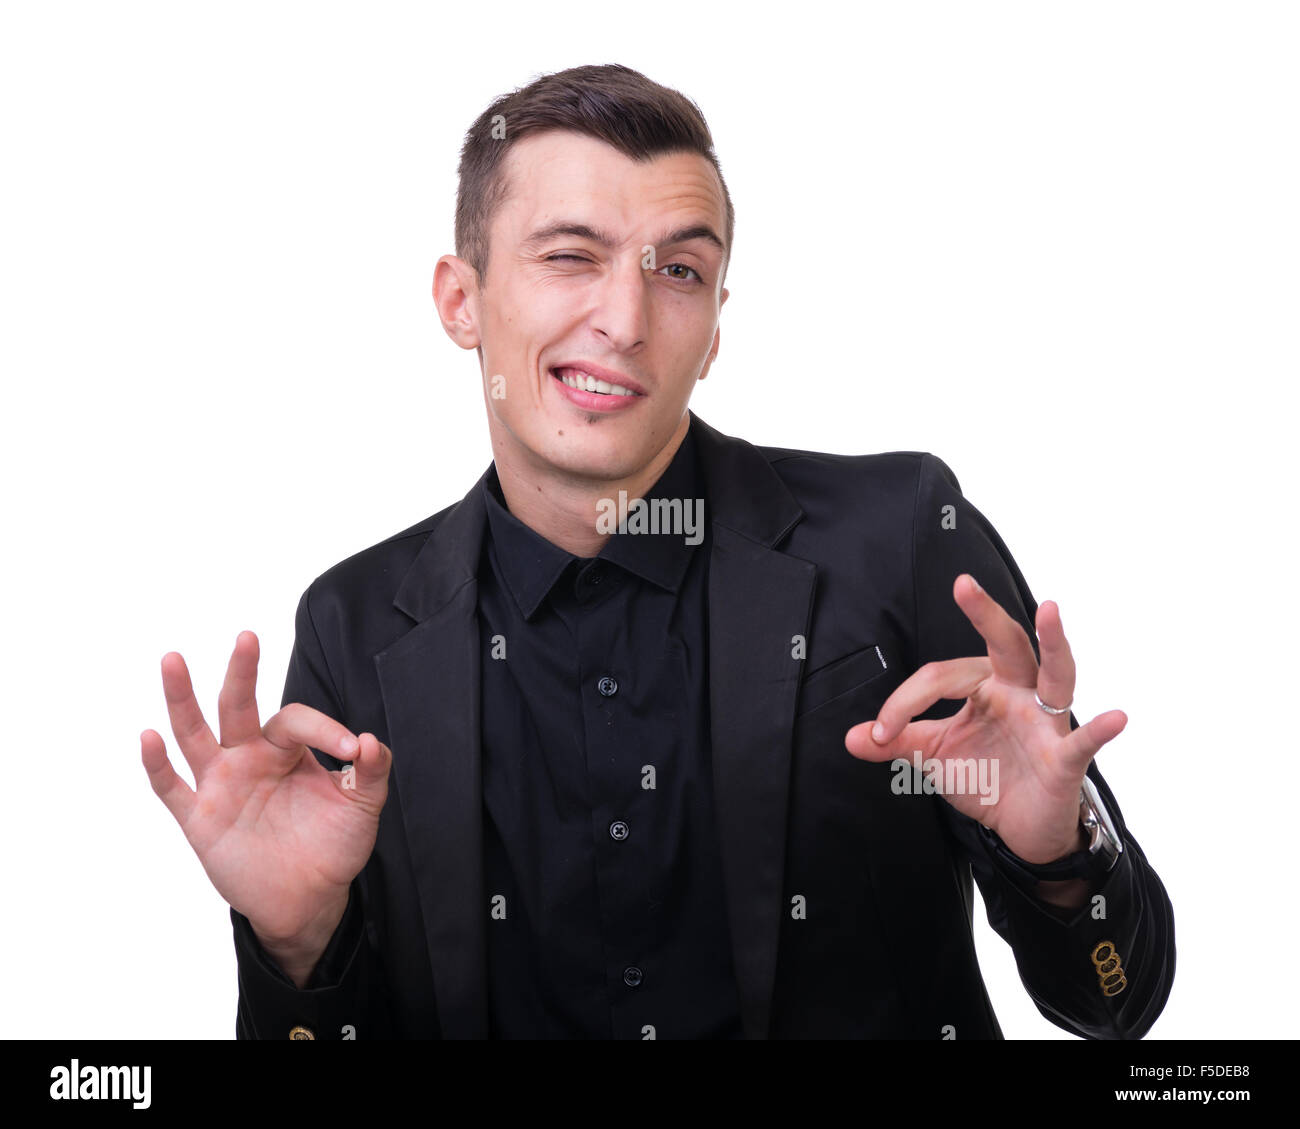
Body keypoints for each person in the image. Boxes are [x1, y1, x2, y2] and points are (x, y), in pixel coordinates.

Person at [141, 63, 1175, 1039]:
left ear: (715, 327)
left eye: (678, 271)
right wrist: (295, 943)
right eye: (569, 256)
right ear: (461, 300)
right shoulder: (354, 624)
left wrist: (1055, 851)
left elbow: (1113, 1005)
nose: (625, 320)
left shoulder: (899, 536)